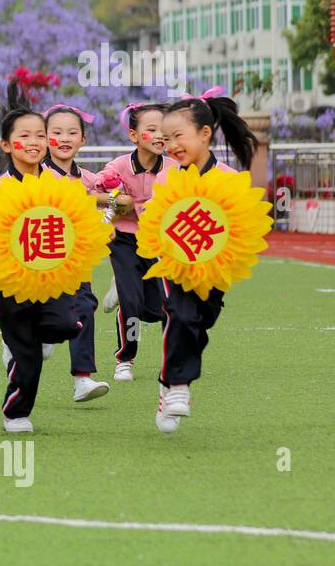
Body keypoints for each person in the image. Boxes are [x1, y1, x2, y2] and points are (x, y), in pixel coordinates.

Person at [152, 91, 259, 434]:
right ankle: (178, 387)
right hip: (173, 265)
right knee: (180, 313)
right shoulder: (167, 178)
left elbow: (243, 226)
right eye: (165, 139)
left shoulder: (229, 179)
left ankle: (167, 380)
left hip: (213, 271)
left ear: (205, 134)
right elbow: (155, 223)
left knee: (199, 323)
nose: (170, 145)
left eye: (177, 137)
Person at [0, 87, 83, 433]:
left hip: (51, 276)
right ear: (7, 145)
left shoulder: (60, 181)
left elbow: (76, 220)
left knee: (62, 326)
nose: (34, 141)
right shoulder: (0, 188)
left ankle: (36, 338)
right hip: (11, 282)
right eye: (24, 135)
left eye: (40, 135)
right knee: (26, 353)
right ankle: (16, 413)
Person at [42, 103, 109, 404]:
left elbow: (113, 205)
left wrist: (114, 204)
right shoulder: (36, 176)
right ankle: (23, 346)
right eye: (56, 132)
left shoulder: (92, 180)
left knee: (84, 306)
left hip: (76, 263)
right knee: (40, 319)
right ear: (43, 139)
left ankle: (83, 379)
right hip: (40, 263)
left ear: (83, 140)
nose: (64, 138)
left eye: (72, 132)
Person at [97, 103, 168, 382]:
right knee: (132, 302)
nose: (160, 135)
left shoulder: (175, 168)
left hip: (159, 242)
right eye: (152, 130)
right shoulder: (117, 167)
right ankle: (126, 358)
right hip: (124, 241)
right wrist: (117, 200)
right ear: (134, 136)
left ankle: (172, 359)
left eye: (165, 130)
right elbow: (91, 191)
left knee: (163, 306)